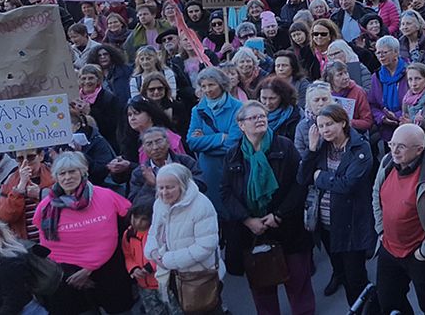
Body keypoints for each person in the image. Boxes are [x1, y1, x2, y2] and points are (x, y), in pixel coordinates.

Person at [222, 101, 315, 315]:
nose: (260, 120)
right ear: (241, 125)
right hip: (254, 234)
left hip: (288, 227)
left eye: (262, 116)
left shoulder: (285, 146)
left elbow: (300, 183)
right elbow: (226, 192)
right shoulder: (233, 155)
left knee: (298, 284)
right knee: (262, 290)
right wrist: (248, 220)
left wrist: (279, 215)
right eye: (253, 117)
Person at [33, 151, 136, 315]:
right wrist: (74, 274)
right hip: (69, 278)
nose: (67, 177)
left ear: (83, 172)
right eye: (62, 173)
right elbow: (47, 245)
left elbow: (131, 220)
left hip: (109, 272)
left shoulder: (107, 196)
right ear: (56, 177)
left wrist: (89, 269)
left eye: (72, 171)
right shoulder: (46, 207)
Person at [372, 124, 425, 315]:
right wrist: (381, 230)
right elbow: (376, 195)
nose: (394, 150)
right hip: (389, 248)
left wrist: (424, 252)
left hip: (419, 253)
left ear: (419, 149)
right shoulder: (387, 162)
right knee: (388, 302)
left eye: (401, 146)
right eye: (392, 144)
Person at [300, 105, 378, 313]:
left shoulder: (360, 148)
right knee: (340, 270)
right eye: (321, 126)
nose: (325, 130)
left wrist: (320, 177)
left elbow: (347, 185)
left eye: (329, 124)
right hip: (326, 224)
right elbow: (302, 177)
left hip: (351, 224)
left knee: (356, 280)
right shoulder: (321, 147)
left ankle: (366, 310)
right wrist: (311, 150)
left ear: (343, 123)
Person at [144, 163, 223, 315]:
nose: (164, 192)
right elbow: (154, 232)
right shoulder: (159, 204)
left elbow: (206, 246)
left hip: (199, 276)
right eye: (161, 188)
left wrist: (168, 260)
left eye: (170, 187)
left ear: (182, 185)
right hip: (174, 276)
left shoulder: (201, 205)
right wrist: (153, 251)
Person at [187, 66, 244, 216]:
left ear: (221, 84)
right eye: (203, 86)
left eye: (211, 85)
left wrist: (204, 142)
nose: (207, 90)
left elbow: (232, 144)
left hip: (231, 167)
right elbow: (192, 142)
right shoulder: (197, 110)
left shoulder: (238, 108)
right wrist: (220, 137)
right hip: (208, 170)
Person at [127, 126, 204, 207]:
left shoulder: (185, 162)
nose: (155, 147)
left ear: (168, 143)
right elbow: (135, 203)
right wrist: (150, 185)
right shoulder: (139, 173)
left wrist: (175, 180)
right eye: (149, 144)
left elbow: (201, 185)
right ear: (144, 148)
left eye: (159, 141)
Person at [0, 147, 53, 240]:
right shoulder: (10, 181)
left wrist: (40, 194)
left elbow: (65, 206)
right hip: (26, 243)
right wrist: (19, 189)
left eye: (30, 157)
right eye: (20, 158)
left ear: (41, 156)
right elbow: (6, 216)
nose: (25, 162)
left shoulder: (54, 176)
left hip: (52, 238)